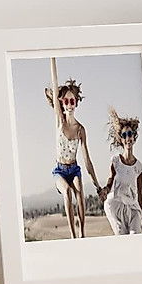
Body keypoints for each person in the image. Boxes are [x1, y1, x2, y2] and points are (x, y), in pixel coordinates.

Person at [43, 57, 102, 238]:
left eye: (72, 101)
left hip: (74, 169)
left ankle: (82, 234)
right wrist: (52, 58)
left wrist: (97, 186)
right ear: (61, 103)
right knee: (67, 192)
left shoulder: (80, 130)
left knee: (79, 190)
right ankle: (72, 235)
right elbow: (54, 83)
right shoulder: (59, 121)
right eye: (66, 101)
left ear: (76, 102)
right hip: (60, 170)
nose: (69, 104)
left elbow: (87, 160)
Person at [99, 109, 142, 235]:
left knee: (135, 237)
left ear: (134, 137)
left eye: (130, 134)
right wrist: (105, 189)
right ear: (121, 139)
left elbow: (140, 197)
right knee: (123, 238)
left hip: (133, 209)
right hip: (117, 206)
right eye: (124, 135)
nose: (127, 138)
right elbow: (110, 181)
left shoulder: (139, 167)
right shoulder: (116, 161)